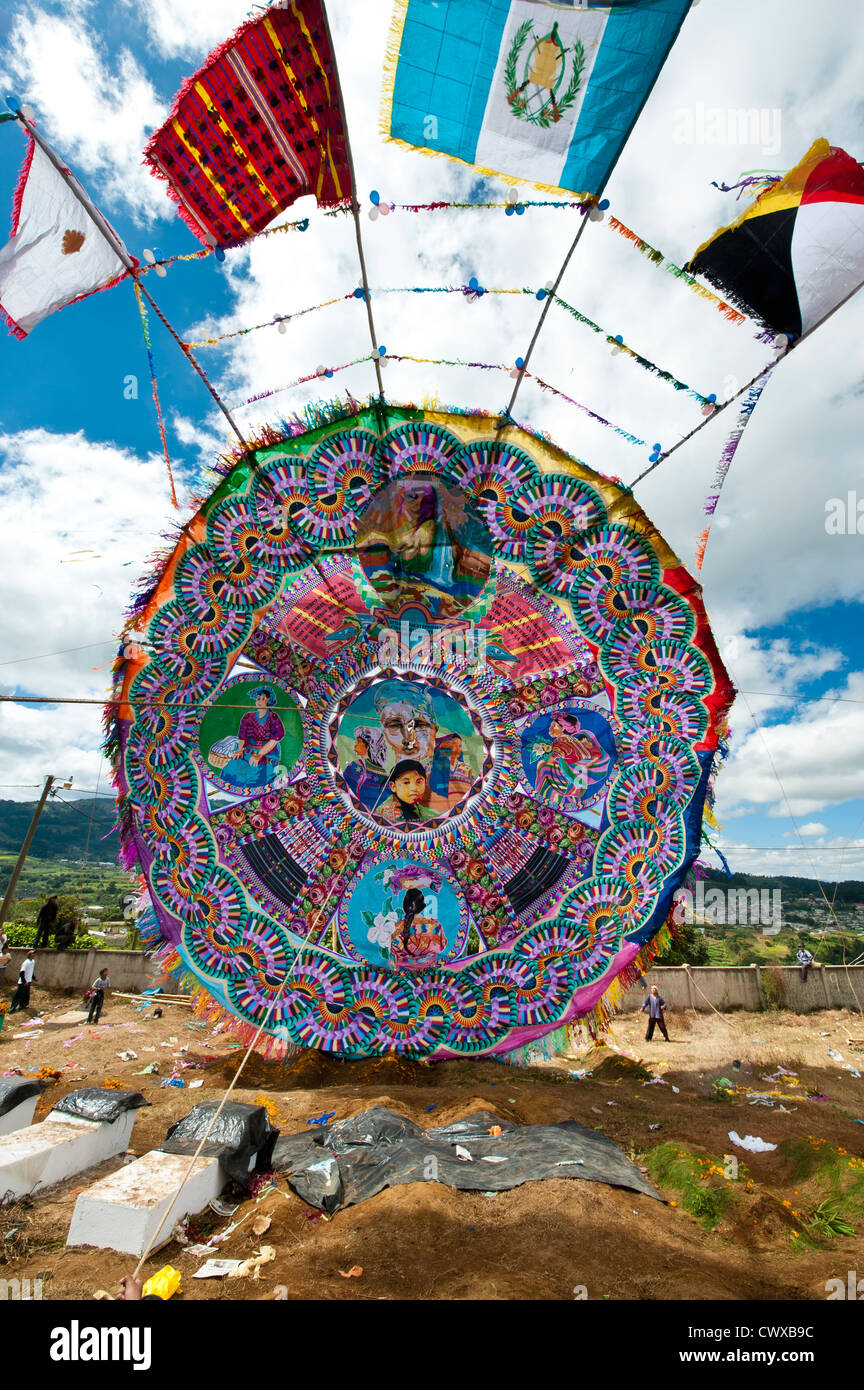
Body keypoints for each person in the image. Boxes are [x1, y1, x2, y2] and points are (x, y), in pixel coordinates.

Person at [220, 684, 285, 789]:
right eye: (258, 698)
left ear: (268, 701)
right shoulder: (248, 717)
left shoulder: (273, 718)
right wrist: (240, 750)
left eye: (263, 699)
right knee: (230, 769)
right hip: (247, 750)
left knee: (254, 775)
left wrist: (259, 755)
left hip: (266, 754)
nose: (259, 701)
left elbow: (273, 741)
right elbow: (242, 737)